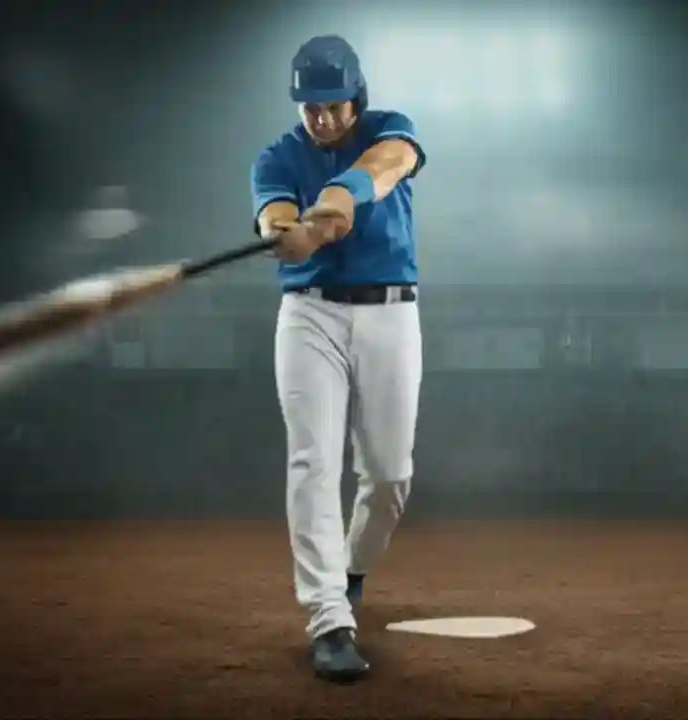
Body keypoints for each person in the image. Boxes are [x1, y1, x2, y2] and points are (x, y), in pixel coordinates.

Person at [249, 34, 426, 683]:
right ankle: (328, 618)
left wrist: (340, 199)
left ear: (356, 97)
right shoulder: (276, 156)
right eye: (310, 107)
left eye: (332, 105)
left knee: (388, 476)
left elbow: (387, 164)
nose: (321, 118)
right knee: (313, 463)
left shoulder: (389, 128)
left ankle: (351, 570)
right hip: (311, 314)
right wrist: (283, 233)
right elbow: (273, 211)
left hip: (390, 311)